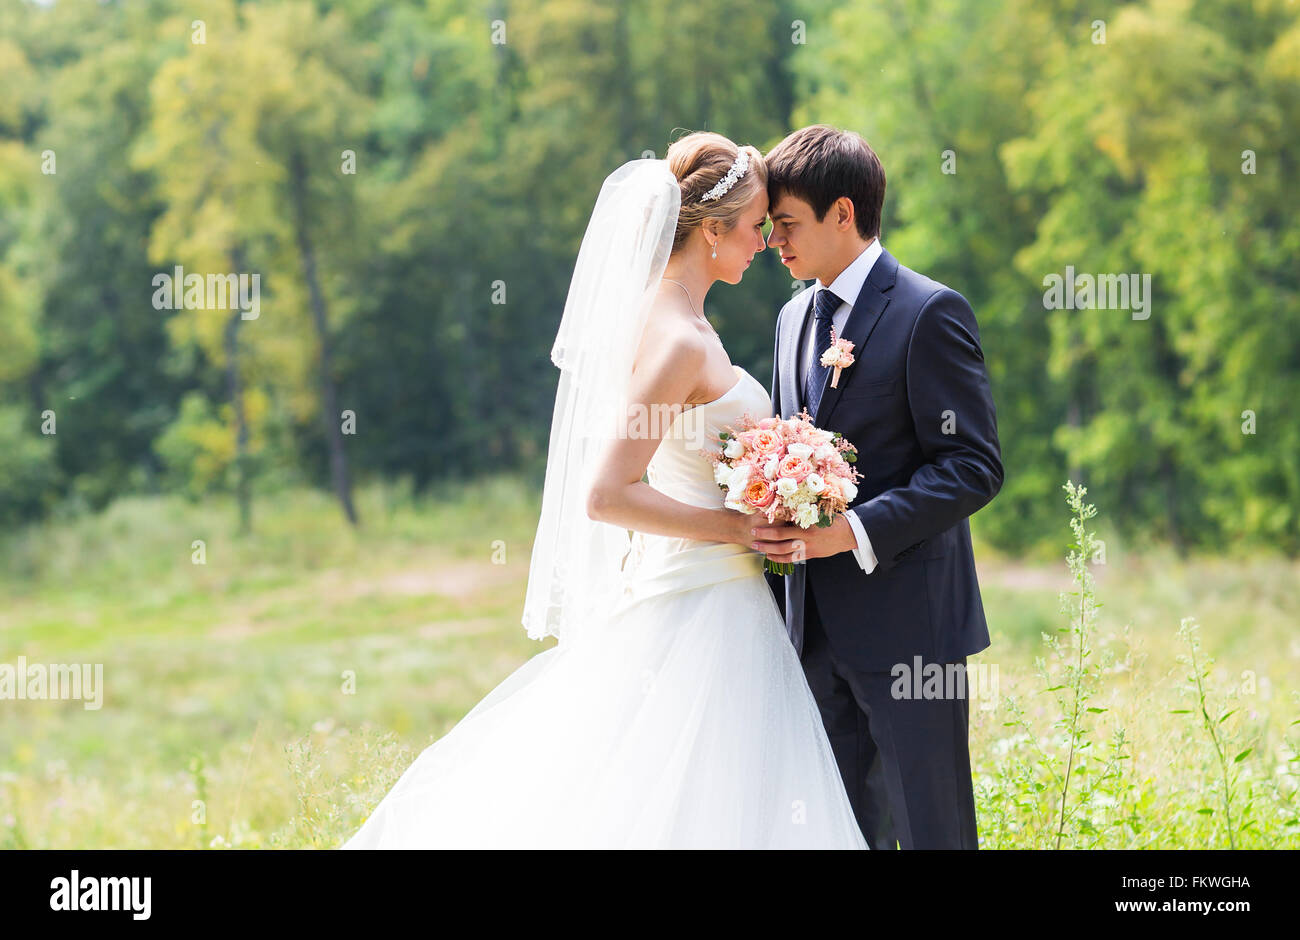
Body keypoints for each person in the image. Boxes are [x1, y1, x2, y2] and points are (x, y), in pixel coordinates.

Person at [341, 132, 866, 849]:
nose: (766, 241)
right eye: (754, 227)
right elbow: (608, 494)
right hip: (705, 596)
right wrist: (742, 528)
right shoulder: (679, 339)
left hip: (718, 588)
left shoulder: (675, 320)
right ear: (711, 231)